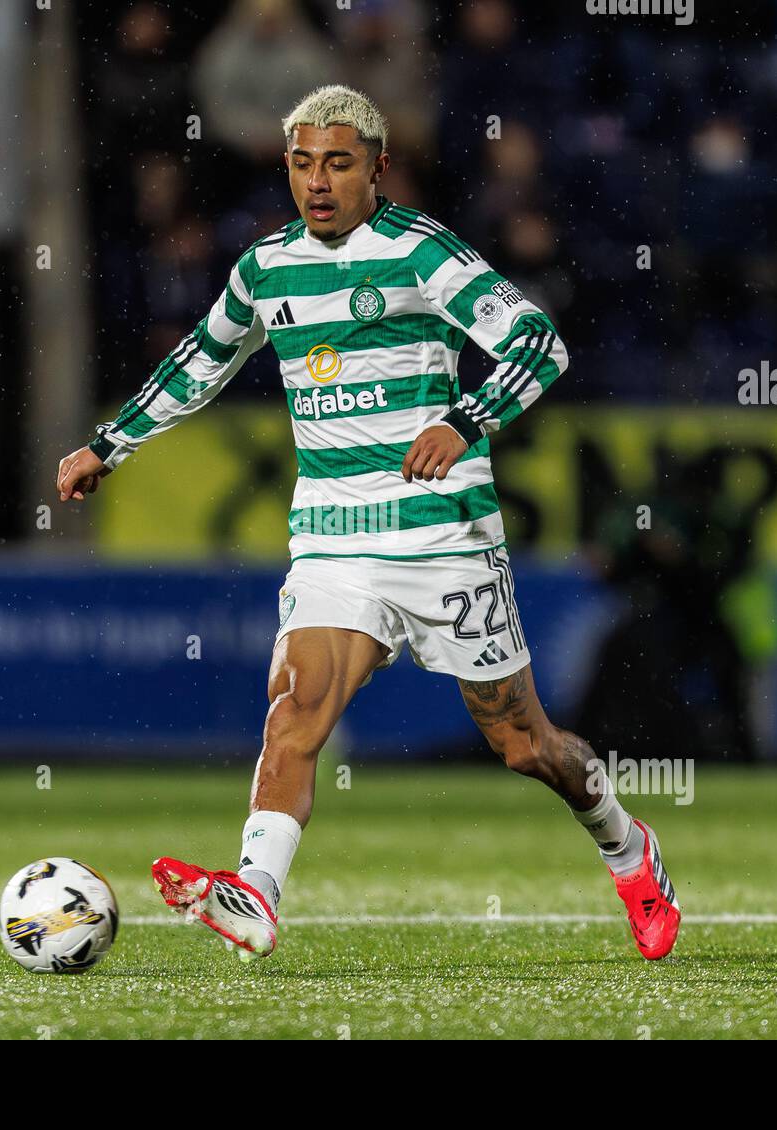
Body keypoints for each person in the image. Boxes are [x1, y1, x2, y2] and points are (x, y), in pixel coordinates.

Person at [56, 85, 680, 962]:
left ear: (377, 169)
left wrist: (463, 419)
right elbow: (203, 357)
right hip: (333, 537)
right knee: (296, 709)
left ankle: (626, 845)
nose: (318, 181)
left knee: (523, 743)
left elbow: (540, 340)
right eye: (303, 162)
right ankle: (257, 893)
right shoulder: (265, 268)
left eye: (339, 163)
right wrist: (110, 444)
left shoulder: (422, 253)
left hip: (442, 536)